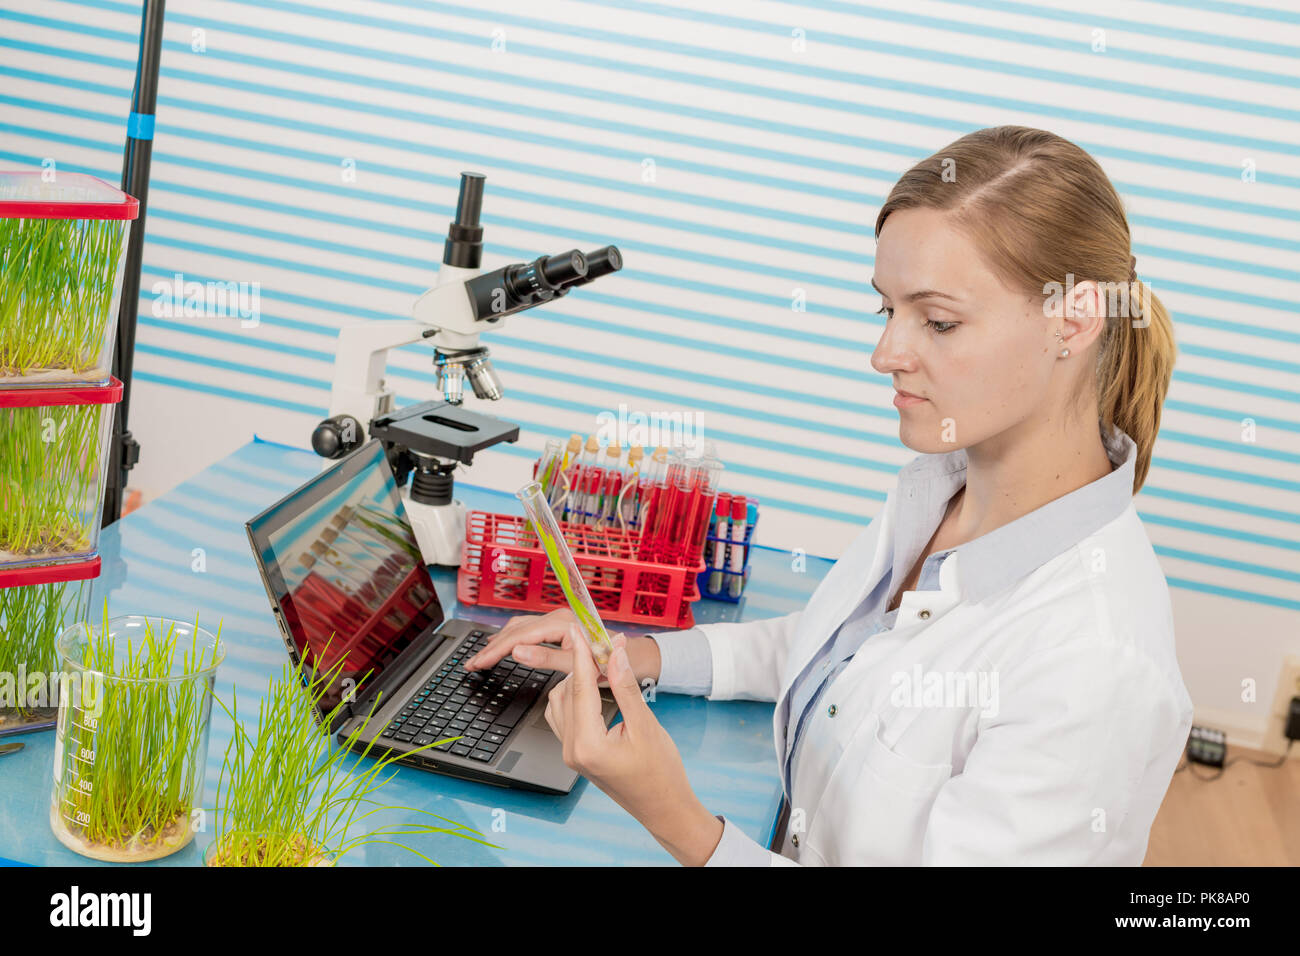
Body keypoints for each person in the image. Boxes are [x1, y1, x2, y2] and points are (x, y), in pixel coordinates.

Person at [464, 125, 1193, 866]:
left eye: (938, 321)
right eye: (887, 311)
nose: (886, 355)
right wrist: (638, 655)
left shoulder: (1094, 667)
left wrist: (681, 822)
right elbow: (835, 650)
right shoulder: (941, 495)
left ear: (1074, 318)